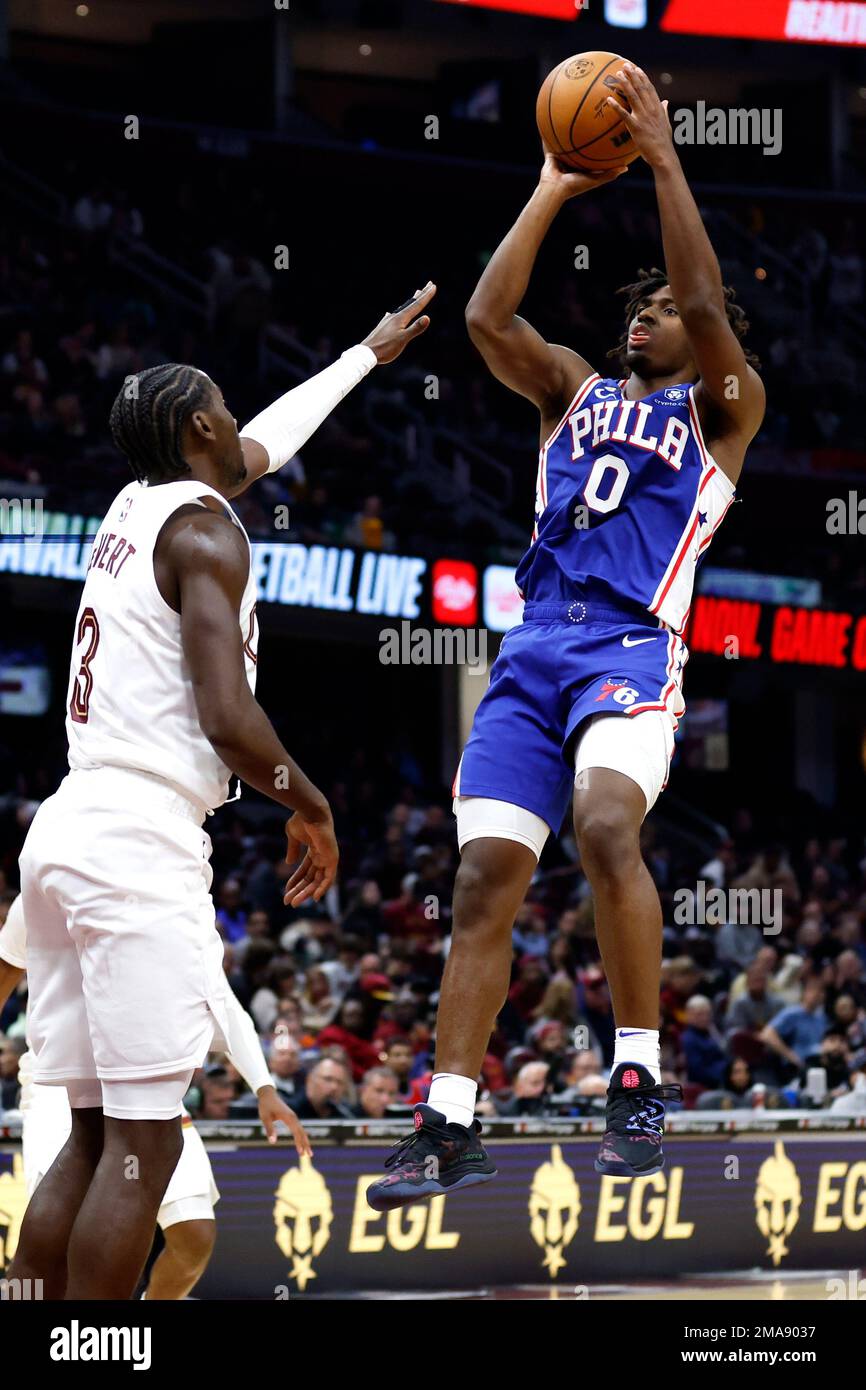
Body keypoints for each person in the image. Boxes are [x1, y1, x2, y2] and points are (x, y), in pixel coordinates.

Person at [367, 64, 765, 1212]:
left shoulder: (721, 409)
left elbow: (700, 305)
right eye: (630, 307)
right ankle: (448, 1121)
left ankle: (635, 1074)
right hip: (534, 646)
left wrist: (663, 161)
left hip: (633, 647)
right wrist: (549, 185)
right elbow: (488, 318)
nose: (638, 317)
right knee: (484, 874)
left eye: (658, 312)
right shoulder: (573, 390)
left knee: (602, 826)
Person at [9, 284, 435, 1299]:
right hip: (138, 844)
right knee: (140, 1153)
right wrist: (312, 803)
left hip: (65, 829)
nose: (239, 421)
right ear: (201, 424)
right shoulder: (209, 536)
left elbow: (264, 448)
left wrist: (360, 357)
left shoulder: (139, 503)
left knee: (87, 1138)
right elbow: (227, 718)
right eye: (225, 407)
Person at [0, 895, 309, 1300]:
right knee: (63, 1229)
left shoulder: (181, 892)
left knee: (195, 1233)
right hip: (61, 1078)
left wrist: (263, 1086)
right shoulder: (54, 871)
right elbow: (7, 965)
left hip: (146, 1076)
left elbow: (222, 999)